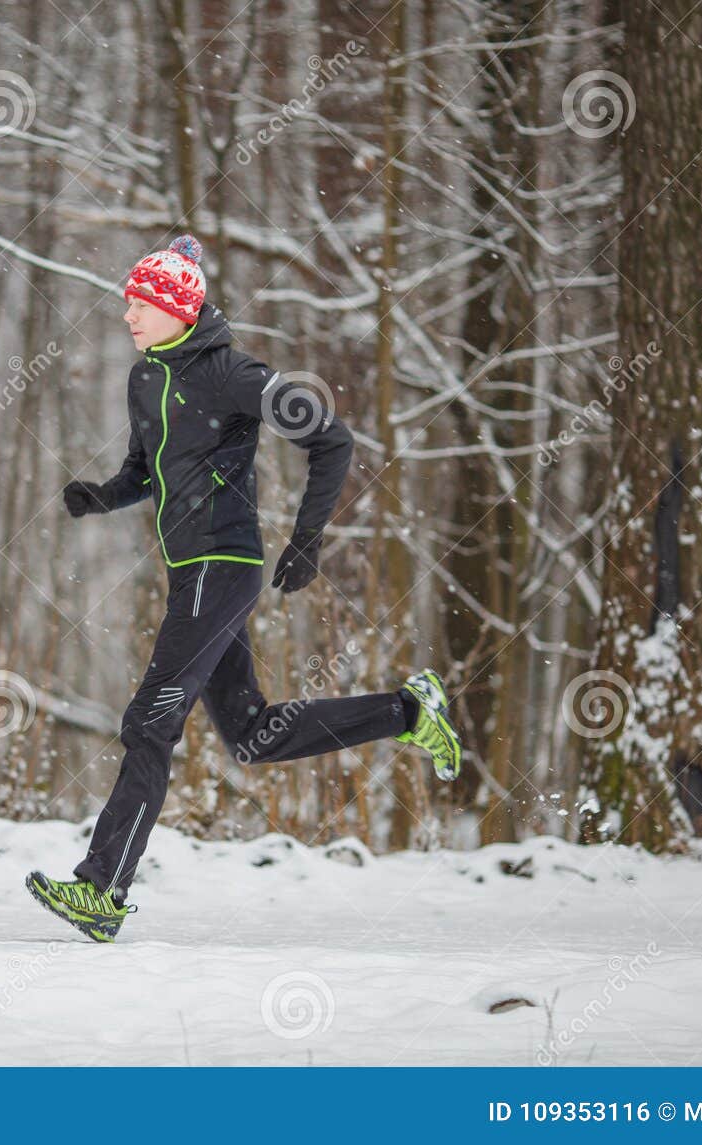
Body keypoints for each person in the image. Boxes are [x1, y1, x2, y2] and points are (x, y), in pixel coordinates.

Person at [25, 235, 462, 942]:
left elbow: (333, 439)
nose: (129, 313)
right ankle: (410, 712)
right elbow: (147, 468)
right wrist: (103, 497)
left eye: (141, 302)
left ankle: (101, 889)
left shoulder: (232, 374)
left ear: (177, 308)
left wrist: (307, 539)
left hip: (220, 566)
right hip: (190, 573)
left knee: (149, 723)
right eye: (127, 300)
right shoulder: (145, 378)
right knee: (254, 734)